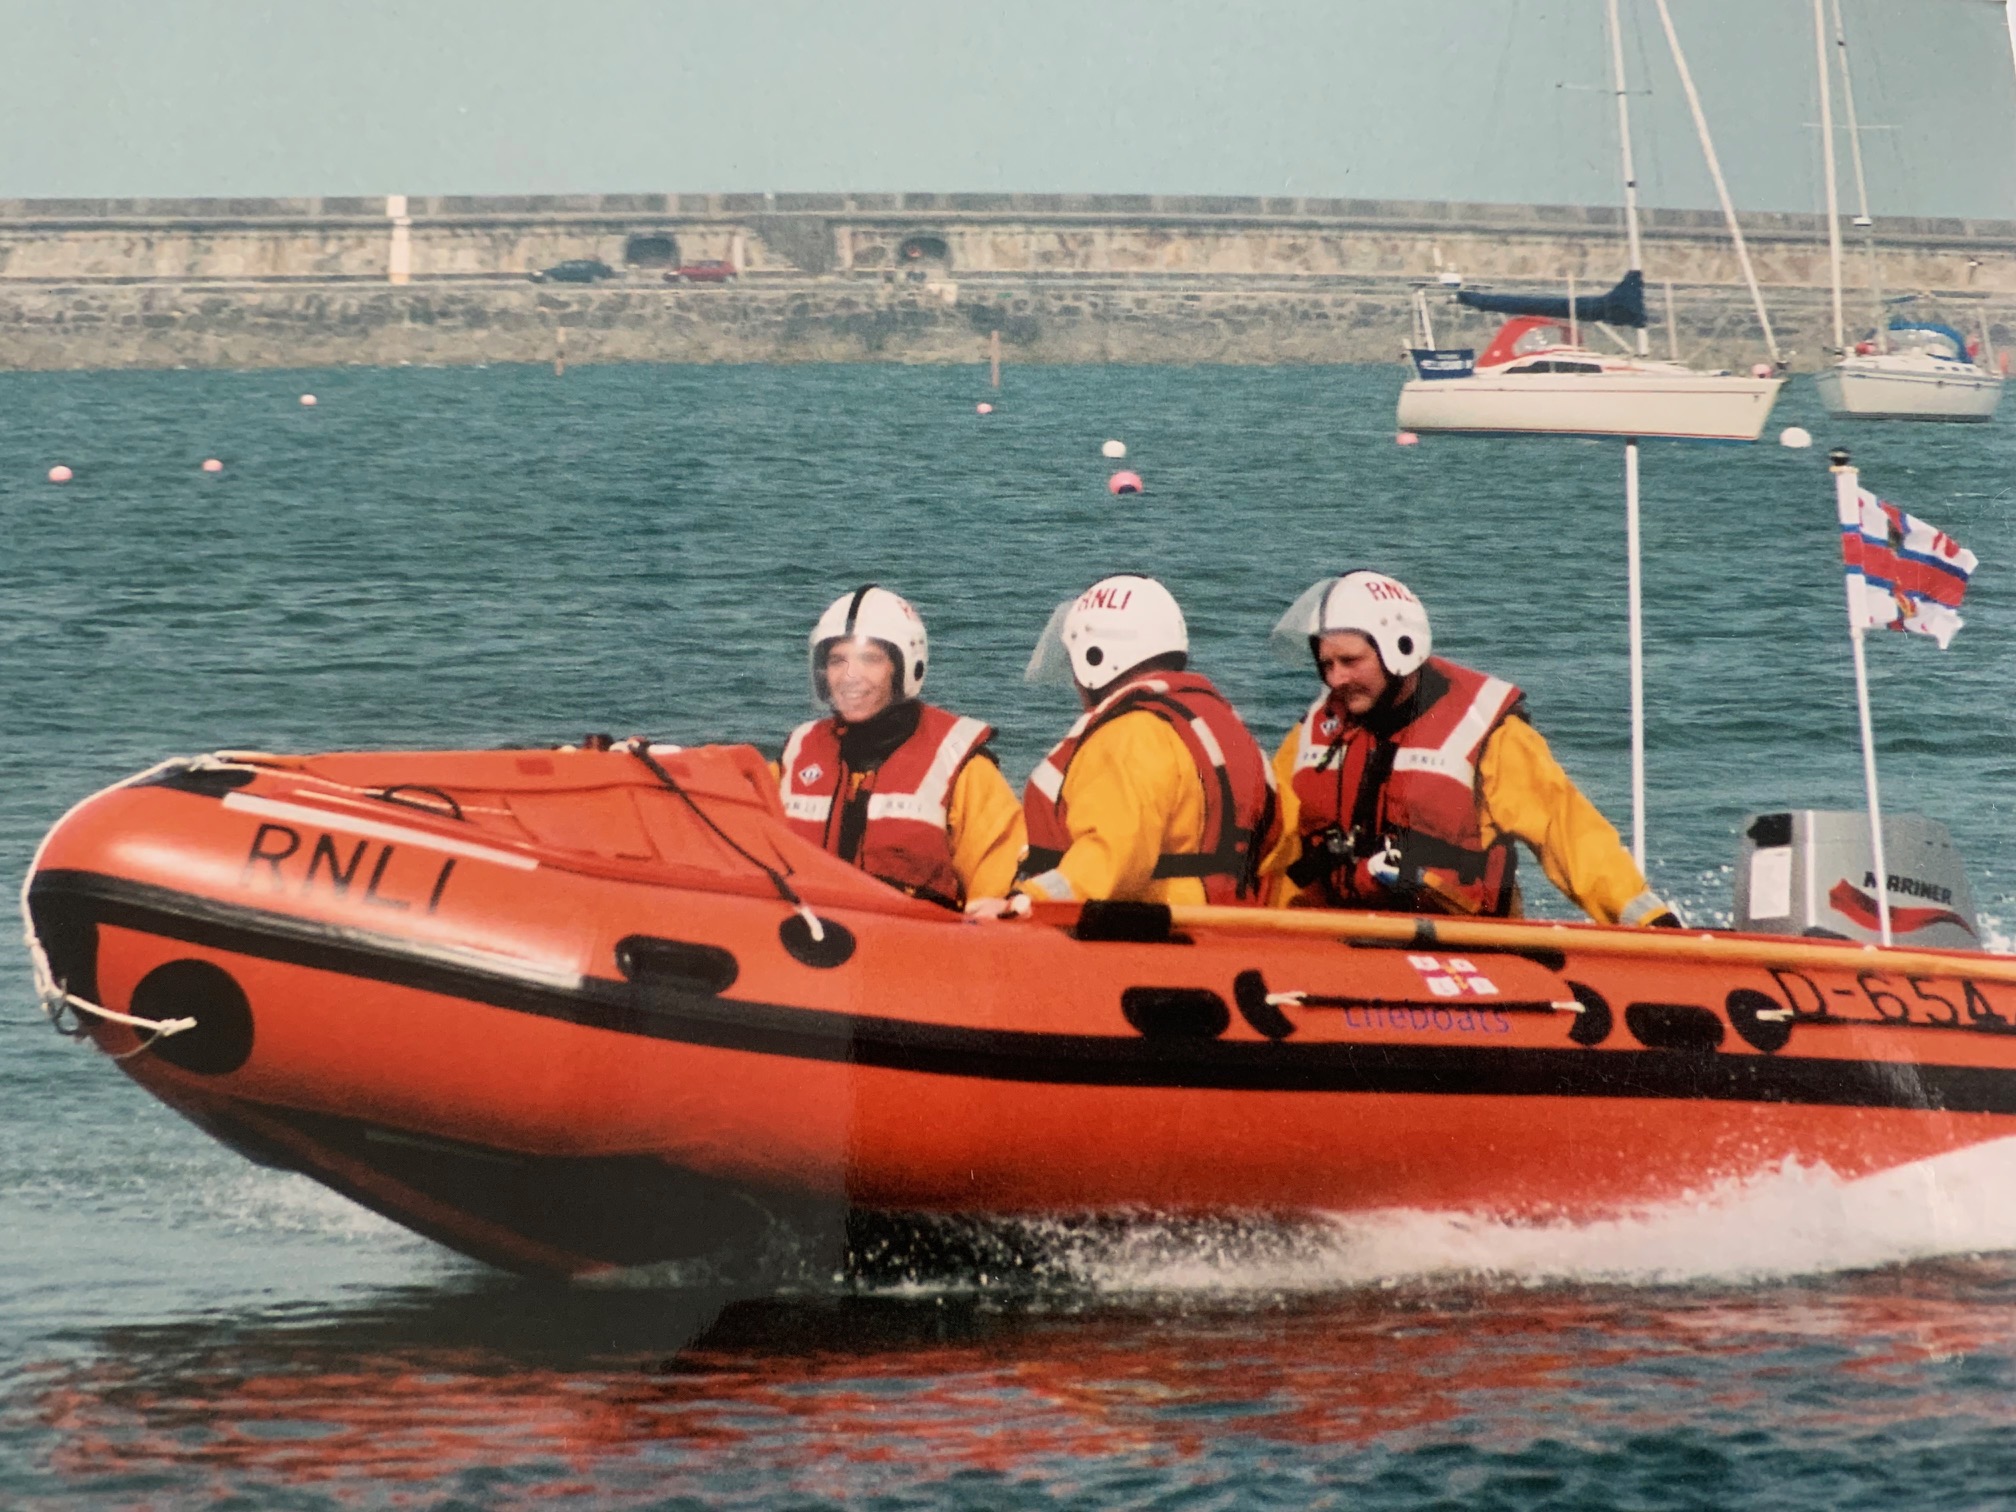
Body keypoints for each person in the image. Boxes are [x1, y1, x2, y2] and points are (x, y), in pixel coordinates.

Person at [1258, 570, 1680, 927]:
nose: (1335, 679)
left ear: (1400, 649)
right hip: (1336, 937)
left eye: (1350, 661)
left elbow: (1567, 835)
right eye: (1327, 664)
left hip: (1462, 945)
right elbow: (1276, 839)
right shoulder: (1318, 730)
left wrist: (1649, 921)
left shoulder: (1486, 733)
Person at [979, 573, 1272, 914]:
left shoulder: (1130, 736)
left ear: (1097, 656)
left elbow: (1112, 854)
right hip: (1231, 932)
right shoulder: (1230, 731)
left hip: (1146, 939)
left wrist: (1028, 900)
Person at [778, 585, 1024, 911]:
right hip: (808, 944)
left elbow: (999, 881)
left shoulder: (957, 764)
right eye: (837, 660)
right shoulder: (796, 756)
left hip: (914, 951)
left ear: (905, 668)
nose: (850, 676)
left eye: (870, 659)